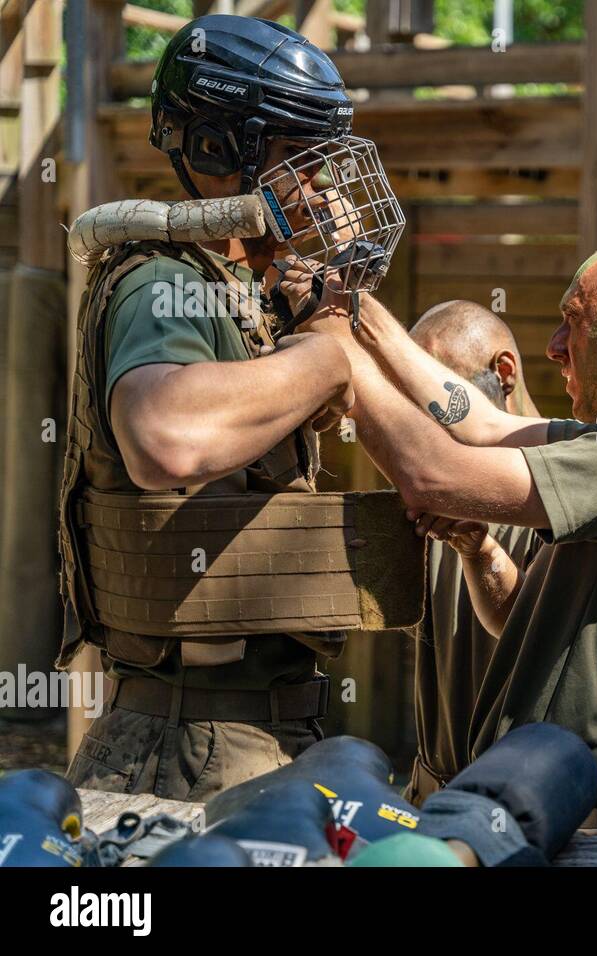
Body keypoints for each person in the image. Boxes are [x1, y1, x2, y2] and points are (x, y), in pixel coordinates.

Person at [280, 239, 597, 834]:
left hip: (557, 827)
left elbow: (434, 476)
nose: (553, 347)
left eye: (573, 321)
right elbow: (479, 422)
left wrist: (338, 356)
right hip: (534, 811)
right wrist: (358, 313)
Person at [60, 15, 404, 800]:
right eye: (297, 159)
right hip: (191, 746)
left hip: (258, 735)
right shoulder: (162, 281)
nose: (320, 188)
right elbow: (164, 438)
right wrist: (330, 356)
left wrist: (318, 317)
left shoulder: (244, 296)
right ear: (218, 150)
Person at [400, 300, 542, 804]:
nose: (423, 412)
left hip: (518, 815)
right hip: (429, 800)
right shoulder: (431, 489)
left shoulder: (573, 486)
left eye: (439, 391)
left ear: (502, 373)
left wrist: (480, 550)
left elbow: (524, 629)